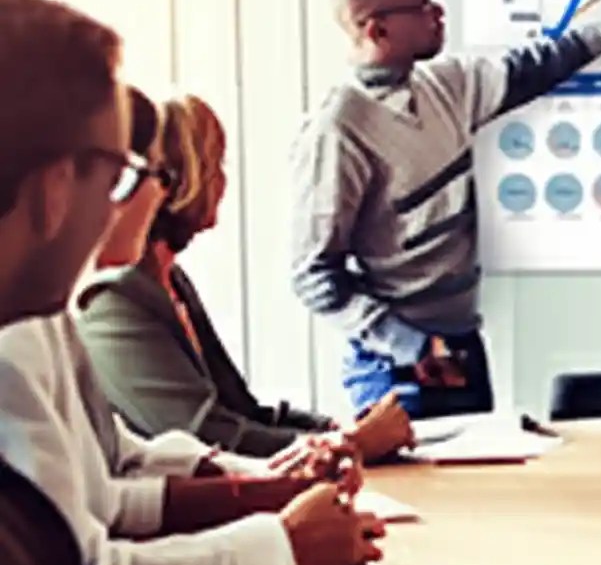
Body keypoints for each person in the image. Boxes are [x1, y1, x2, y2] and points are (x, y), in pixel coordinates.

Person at [0, 0, 382, 565]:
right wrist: (277, 544)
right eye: (122, 175)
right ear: (56, 186)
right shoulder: (23, 344)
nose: (124, 208)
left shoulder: (38, 320)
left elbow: (109, 479)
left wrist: (263, 491)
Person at [290, 0, 601, 418]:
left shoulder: (446, 86)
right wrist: (413, 346)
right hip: (397, 365)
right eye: (421, 8)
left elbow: (543, 62)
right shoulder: (339, 130)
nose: (438, 14)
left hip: (460, 347)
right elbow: (314, 276)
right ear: (376, 28)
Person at [76, 93, 414, 459]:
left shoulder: (173, 283)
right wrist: (347, 446)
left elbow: (242, 411)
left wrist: (335, 429)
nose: (222, 182)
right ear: (180, 179)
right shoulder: (114, 299)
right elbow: (205, 433)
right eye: (216, 165)